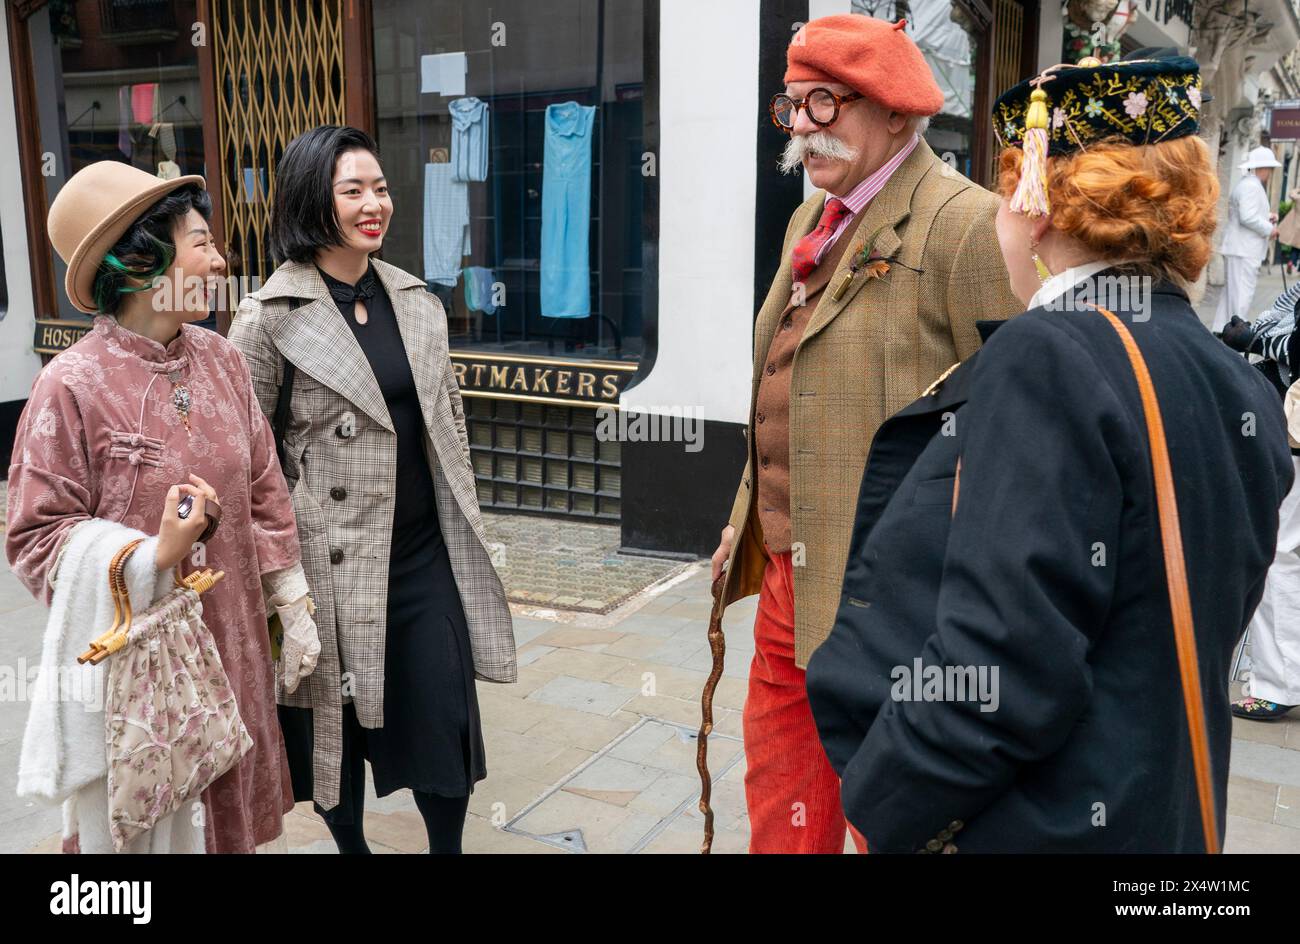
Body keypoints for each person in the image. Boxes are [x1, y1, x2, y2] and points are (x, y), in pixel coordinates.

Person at [806, 54, 1294, 852]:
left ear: (1037, 206)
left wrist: (886, 806)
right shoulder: (1231, 379)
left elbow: (999, 663)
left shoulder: (1049, 357)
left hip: (1043, 826)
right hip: (1164, 820)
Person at [709, 13, 1020, 853]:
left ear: (894, 112)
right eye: (792, 105)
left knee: (895, 821)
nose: (803, 127)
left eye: (825, 104)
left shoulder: (965, 226)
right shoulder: (810, 218)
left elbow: (1013, 425)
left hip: (900, 604)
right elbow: (783, 372)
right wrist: (747, 510)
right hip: (789, 579)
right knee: (782, 804)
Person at [7, 161, 319, 853]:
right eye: (202, 242)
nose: (221, 259)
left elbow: (264, 481)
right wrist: (150, 556)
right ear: (144, 258)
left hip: (232, 642)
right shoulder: (70, 386)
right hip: (140, 678)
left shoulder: (222, 360)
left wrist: (290, 598)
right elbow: (35, 538)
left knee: (229, 828)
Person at [227, 126, 516, 855]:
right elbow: (246, 460)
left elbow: (447, 424)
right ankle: (352, 849)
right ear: (310, 201)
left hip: (422, 558)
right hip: (329, 569)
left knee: (443, 723)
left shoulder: (416, 301)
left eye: (380, 188)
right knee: (336, 736)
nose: (374, 204)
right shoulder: (267, 319)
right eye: (352, 190)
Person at [1214, 145, 1281, 332]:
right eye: (1269, 168)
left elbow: (1247, 214)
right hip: (1244, 249)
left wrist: (1267, 217)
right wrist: (1270, 229)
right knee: (1241, 294)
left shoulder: (1247, 184)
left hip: (1240, 247)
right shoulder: (1251, 186)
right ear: (1263, 168)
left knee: (1232, 293)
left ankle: (1222, 329)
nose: (1269, 173)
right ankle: (1238, 332)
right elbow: (1247, 217)